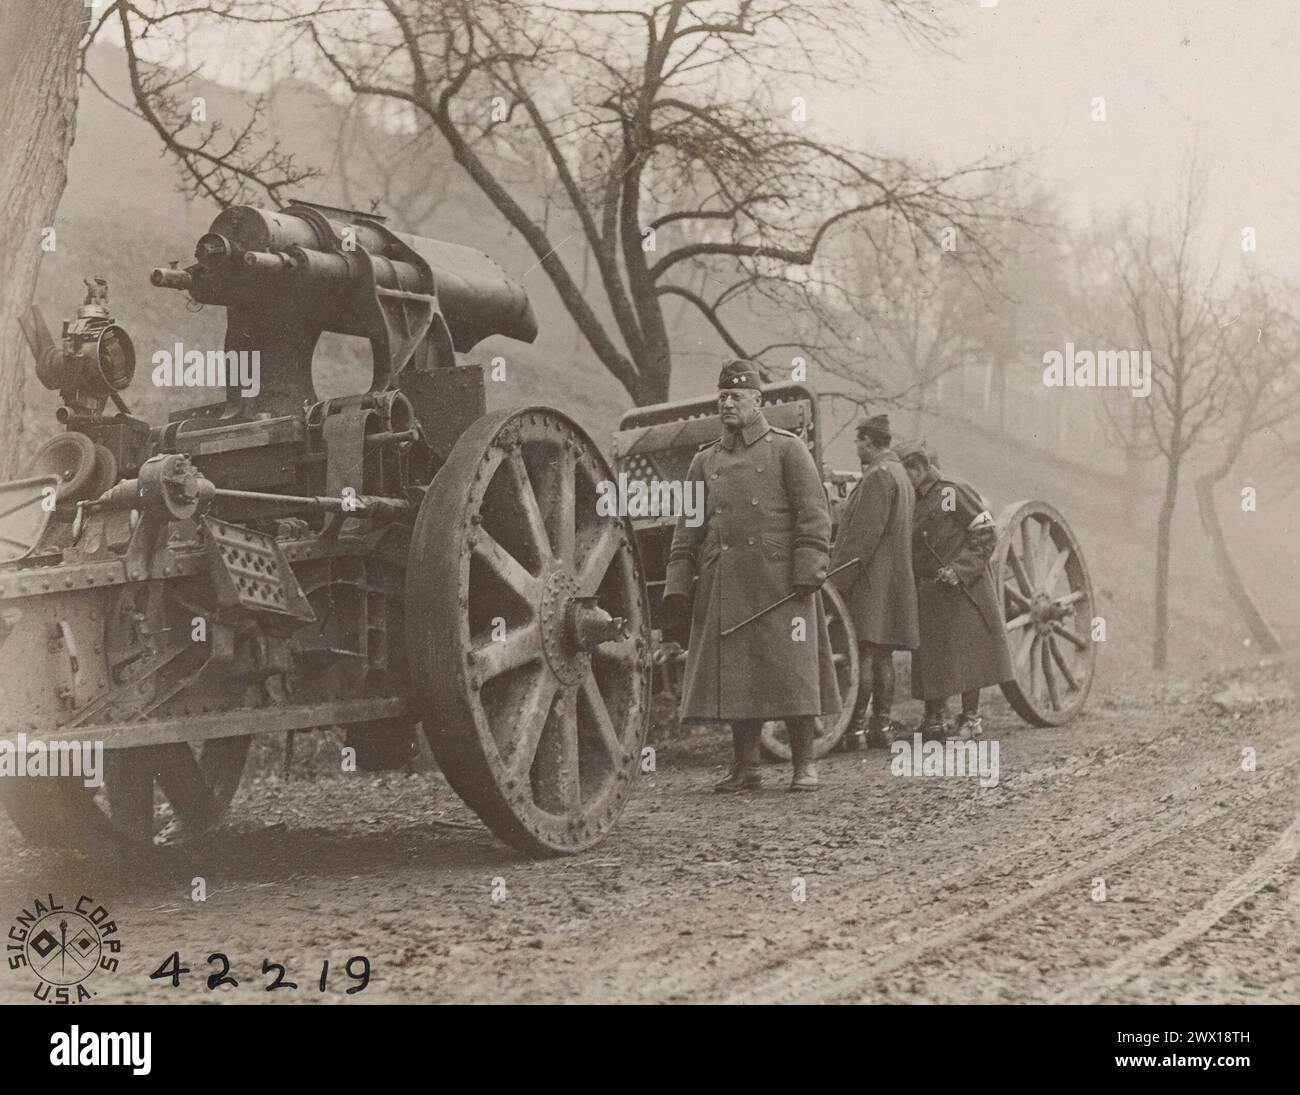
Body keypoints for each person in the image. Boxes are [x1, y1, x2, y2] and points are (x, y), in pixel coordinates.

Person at [661, 360, 841, 792]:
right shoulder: (704, 460)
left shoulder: (787, 449)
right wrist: (677, 588)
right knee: (736, 674)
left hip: (781, 581)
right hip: (726, 582)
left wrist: (808, 570)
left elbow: (815, 515)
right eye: (722, 397)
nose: (727, 403)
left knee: (793, 673)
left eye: (737, 396)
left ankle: (804, 764)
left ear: (758, 401)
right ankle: (747, 767)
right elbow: (687, 528)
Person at [895, 439, 1013, 741]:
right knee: (935, 657)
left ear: (919, 468)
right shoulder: (915, 497)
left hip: (963, 589)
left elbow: (987, 533)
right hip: (930, 590)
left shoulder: (954, 490)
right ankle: (934, 719)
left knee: (968, 656)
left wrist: (960, 570)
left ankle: (970, 719)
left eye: (906, 471)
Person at [829, 414, 919, 748]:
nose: (856, 448)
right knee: (882, 656)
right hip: (893, 582)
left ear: (869, 440)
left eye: (858, 441)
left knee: (864, 654)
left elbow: (862, 538)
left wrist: (837, 582)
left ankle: (853, 731)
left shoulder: (879, 476)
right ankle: (879, 728)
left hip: (872, 583)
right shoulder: (900, 474)